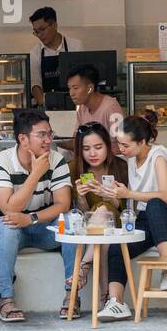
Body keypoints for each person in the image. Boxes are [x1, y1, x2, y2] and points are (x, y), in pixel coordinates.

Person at [0, 109, 77, 323]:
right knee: (8, 226)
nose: (48, 140)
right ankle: (5, 299)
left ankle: (72, 296)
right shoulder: (1, 161)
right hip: (6, 225)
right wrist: (35, 174)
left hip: (42, 225)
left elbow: (62, 204)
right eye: (42, 135)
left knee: (71, 221)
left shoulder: (57, 160)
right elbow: (9, 209)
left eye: (50, 134)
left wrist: (31, 218)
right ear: (23, 139)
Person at [99, 112, 167, 322]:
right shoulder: (132, 160)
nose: (121, 150)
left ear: (142, 142)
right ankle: (116, 303)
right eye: (119, 144)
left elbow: (165, 195)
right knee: (118, 245)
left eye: (126, 145)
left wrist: (128, 193)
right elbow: (132, 201)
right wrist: (110, 193)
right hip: (151, 223)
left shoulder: (158, 156)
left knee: (155, 204)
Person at [70, 121, 130, 306]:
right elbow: (79, 214)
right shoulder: (74, 169)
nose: (93, 154)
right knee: (102, 239)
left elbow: (126, 208)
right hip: (91, 229)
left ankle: (84, 265)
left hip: (117, 223)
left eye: (98, 147)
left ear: (107, 146)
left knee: (104, 209)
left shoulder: (120, 166)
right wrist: (81, 198)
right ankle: (105, 298)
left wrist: (109, 196)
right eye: (86, 149)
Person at [28, 6, 83, 107]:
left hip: (75, 104)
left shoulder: (76, 46)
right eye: (36, 32)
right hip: (49, 105)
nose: (39, 35)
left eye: (42, 29)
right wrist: (43, 105)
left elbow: (83, 78)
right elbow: (35, 84)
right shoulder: (35, 53)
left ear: (55, 25)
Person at [66, 64, 124, 135]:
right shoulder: (82, 108)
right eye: (69, 88)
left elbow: (122, 143)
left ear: (90, 88)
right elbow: (76, 140)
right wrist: (55, 141)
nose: (71, 93)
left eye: (75, 88)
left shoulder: (111, 108)